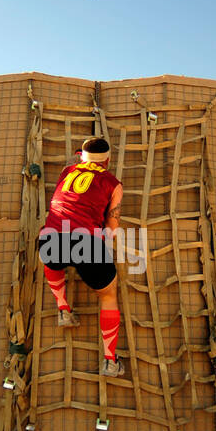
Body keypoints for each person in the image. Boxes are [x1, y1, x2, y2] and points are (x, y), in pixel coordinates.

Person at [38, 137, 126, 376]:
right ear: (108, 160)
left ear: (81, 158)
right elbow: (112, 226)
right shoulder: (113, 184)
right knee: (108, 294)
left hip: (50, 238)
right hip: (86, 242)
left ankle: (64, 310)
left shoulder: (67, 170)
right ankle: (110, 361)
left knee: (51, 260)